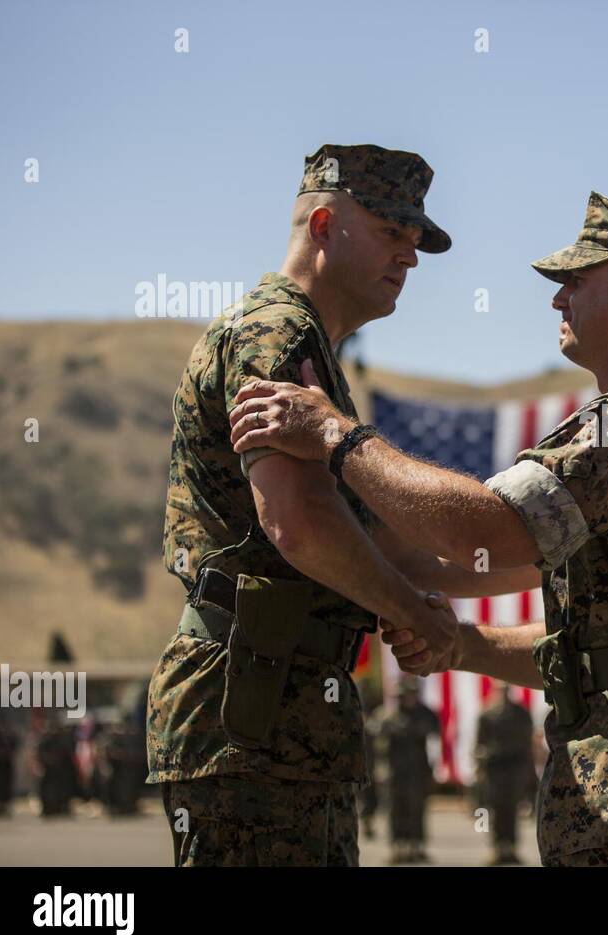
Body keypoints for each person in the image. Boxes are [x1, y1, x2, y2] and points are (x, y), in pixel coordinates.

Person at [229, 191, 608, 866]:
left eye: (576, 282)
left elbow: (490, 531)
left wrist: (334, 433)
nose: (558, 300)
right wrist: (458, 644)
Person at [144, 144, 463, 866]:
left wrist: (536, 565)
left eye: (416, 242)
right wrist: (412, 613)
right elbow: (300, 525)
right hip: (253, 716)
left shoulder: (310, 348)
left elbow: (376, 543)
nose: (409, 257)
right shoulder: (276, 333)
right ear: (322, 224)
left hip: (281, 712)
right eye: (391, 232)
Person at [378, 679, 440, 863]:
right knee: (396, 810)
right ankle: (398, 848)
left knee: (416, 810)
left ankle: (417, 847)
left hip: (417, 772)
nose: (409, 699)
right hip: (395, 772)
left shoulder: (424, 715)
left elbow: (435, 732)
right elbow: (379, 743)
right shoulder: (388, 716)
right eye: (406, 695)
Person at [474, 684, 535, 865]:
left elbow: (527, 743)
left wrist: (528, 770)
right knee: (496, 810)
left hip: (515, 768)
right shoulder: (487, 714)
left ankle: (511, 848)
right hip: (494, 769)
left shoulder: (521, 715)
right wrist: (480, 764)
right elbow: (479, 743)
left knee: (511, 810)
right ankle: (498, 848)